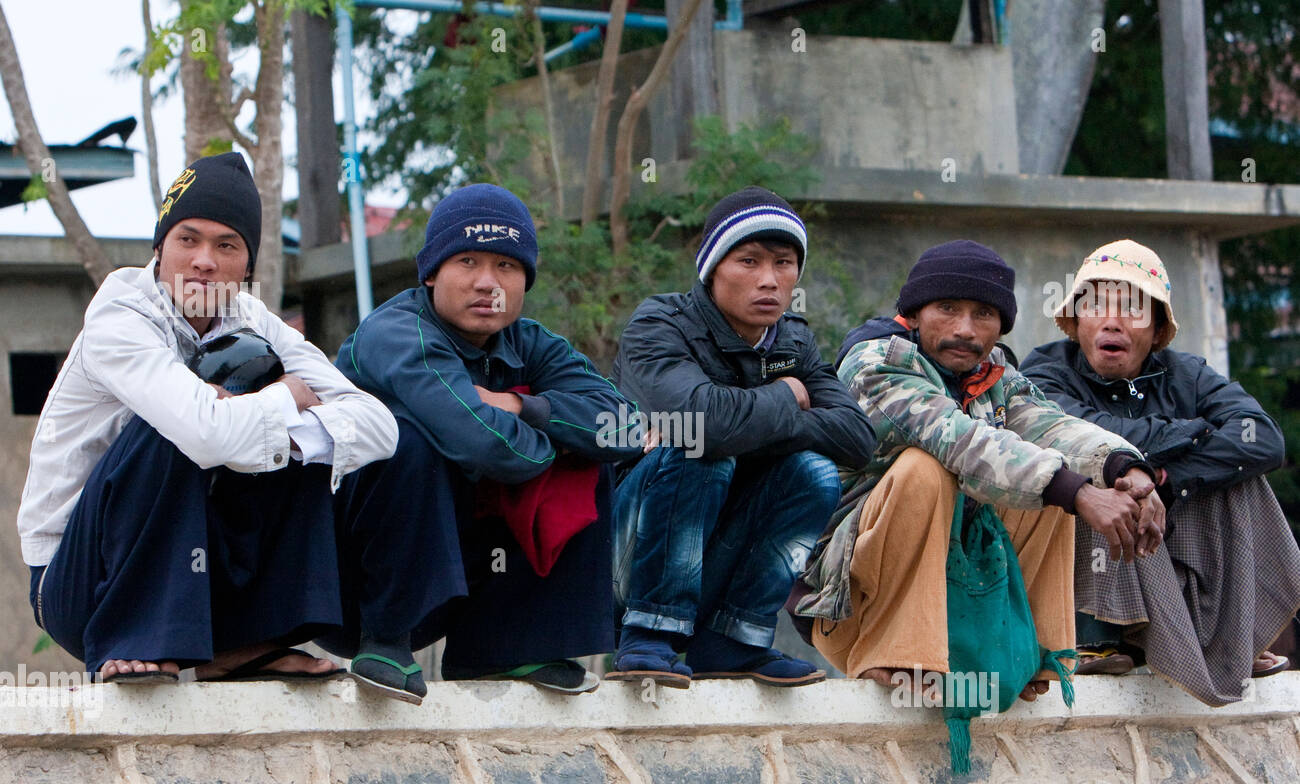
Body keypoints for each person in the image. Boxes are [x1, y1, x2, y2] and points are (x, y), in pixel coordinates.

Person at [17, 153, 398, 683]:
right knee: (176, 428)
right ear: (159, 248)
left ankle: (247, 644)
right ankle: (134, 634)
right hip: (78, 584)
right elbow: (202, 433)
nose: (204, 261)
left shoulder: (252, 318)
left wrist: (282, 432)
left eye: (226, 246)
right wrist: (282, 398)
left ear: (247, 265)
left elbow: (379, 426)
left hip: (203, 586)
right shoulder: (121, 313)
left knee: (299, 441)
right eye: (188, 239)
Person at [799, 240, 1165, 701]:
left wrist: (1128, 468)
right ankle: (896, 652)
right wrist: (1079, 493)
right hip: (847, 603)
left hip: (952, 604)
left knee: (1048, 473)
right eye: (947, 309)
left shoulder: (994, 376)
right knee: (928, 469)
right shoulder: (874, 365)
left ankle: (1026, 654)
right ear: (913, 314)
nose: (965, 329)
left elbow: (1052, 427)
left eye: (984, 315)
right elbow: (959, 441)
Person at [326, 184, 641, 703]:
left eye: (506, 266)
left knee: (586, 459)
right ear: (431, 273)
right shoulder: (395, 332)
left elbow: (628, 428)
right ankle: (384, 639)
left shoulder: (530, 342)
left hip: (453, 570)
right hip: (346, 583)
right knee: (410, 443)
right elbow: (483, 443)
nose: (487, 283)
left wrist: (523, 406)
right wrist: (558, 443)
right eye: (468, 261)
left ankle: (503, 649)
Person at [608, 186, 877, 688]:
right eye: (749, 261)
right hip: (627, 559)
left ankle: (732, 642)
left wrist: (742, 427)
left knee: (813, 471)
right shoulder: (659, 324)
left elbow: (857, 439)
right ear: (713, 268)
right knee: (697, 451)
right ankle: (648, 635)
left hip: (712, 553)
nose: (769, 280)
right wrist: (787, 395)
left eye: (784, 263)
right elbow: (702, 425)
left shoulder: (793, 341)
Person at [1021, 239, 1299, 702]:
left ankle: (1231, 637)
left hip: (1171, 533)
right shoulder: (1044, 371)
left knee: (1241, 477)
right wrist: (1177, 440)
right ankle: (1096, 635)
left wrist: (1165, 479)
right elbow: (1080, 431)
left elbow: (1262, 438)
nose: (1112, 321)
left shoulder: (1187, 374)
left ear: (1156, 330)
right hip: (1090, 547)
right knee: (1093, 469)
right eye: (1096, 306)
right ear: (1076, 321)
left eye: (1132, 309)